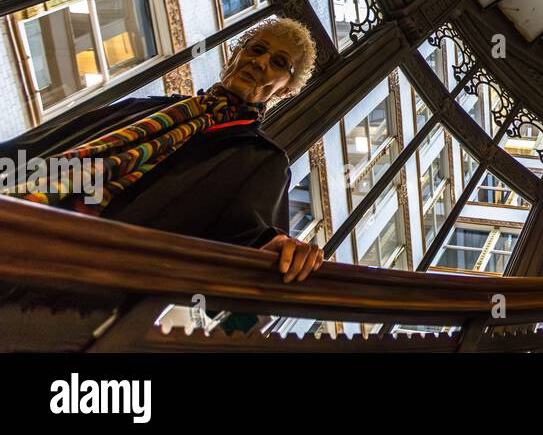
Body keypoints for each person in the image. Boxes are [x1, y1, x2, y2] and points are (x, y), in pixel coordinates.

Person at [0, 17, 326, 284]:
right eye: (256, 49)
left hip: (86, 273)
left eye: (279, 63)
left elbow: (248, 236)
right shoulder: (144, 108)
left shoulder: (259, 158)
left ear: (286, 90)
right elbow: (45, 145)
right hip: (22, 213)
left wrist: (280, 247)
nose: (260, 62)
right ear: (235, 55)